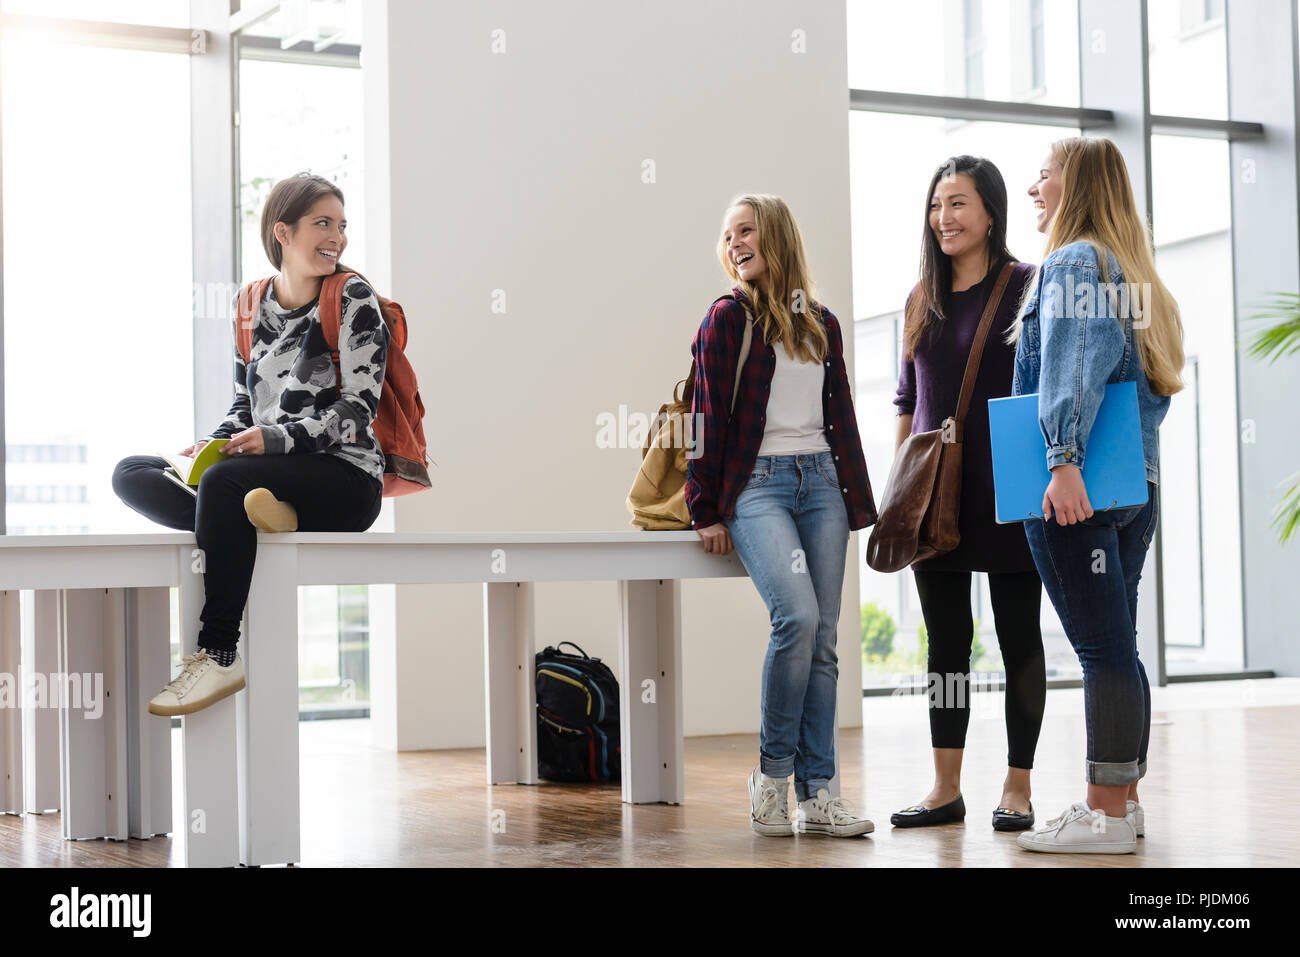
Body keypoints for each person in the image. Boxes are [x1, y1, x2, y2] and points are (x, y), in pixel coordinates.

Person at [111, 172, 390, 717]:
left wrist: (274, 440)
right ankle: (259, 516)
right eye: (322, 224)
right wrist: (216, 444)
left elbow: (360, 410)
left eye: (341, 225)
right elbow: (245, 402)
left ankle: (217, 654)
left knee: (224, 484)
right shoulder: (248, 304)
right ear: (282, 232)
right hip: (263, 472)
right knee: (132, 471)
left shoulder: (352, 297)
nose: (336, 237)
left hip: (344, 478)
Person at [1009, 137, 1185, 853]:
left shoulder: (1075, 261)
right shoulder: (1135, 273)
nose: (1033, 189)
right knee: (1119, 643)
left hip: (1076, 485)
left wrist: (1061, 459)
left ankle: (1104, 812)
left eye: (1044, 174)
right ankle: (1126, 802)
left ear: (1073, 183)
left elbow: (1073, 366)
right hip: (1133, 486)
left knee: (1100, 648)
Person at [685, 193, 878, 837]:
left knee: (823, 639)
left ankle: (818, 794)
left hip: (822, 482)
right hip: (758, 486)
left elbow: (841, 416)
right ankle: (772, 775)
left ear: (778, 238)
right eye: (728, 234)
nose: (736, 243)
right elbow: (704, 419)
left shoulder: (820, 321)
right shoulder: (727, 319)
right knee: (795, 616)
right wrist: (705, 508)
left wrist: (859, 499)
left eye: (748, 231)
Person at [889, 156, 1046, 833]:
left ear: (990, 213)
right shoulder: (920, 296)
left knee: (1019, 637)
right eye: (936, 205)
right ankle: (945, 786)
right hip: (935, 495)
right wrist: (900, 486)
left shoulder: (1028, 286)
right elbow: (906, 399)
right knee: (946, 644)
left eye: (957, 203)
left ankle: (1018, 784)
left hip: (1010, 486)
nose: (944, 217)